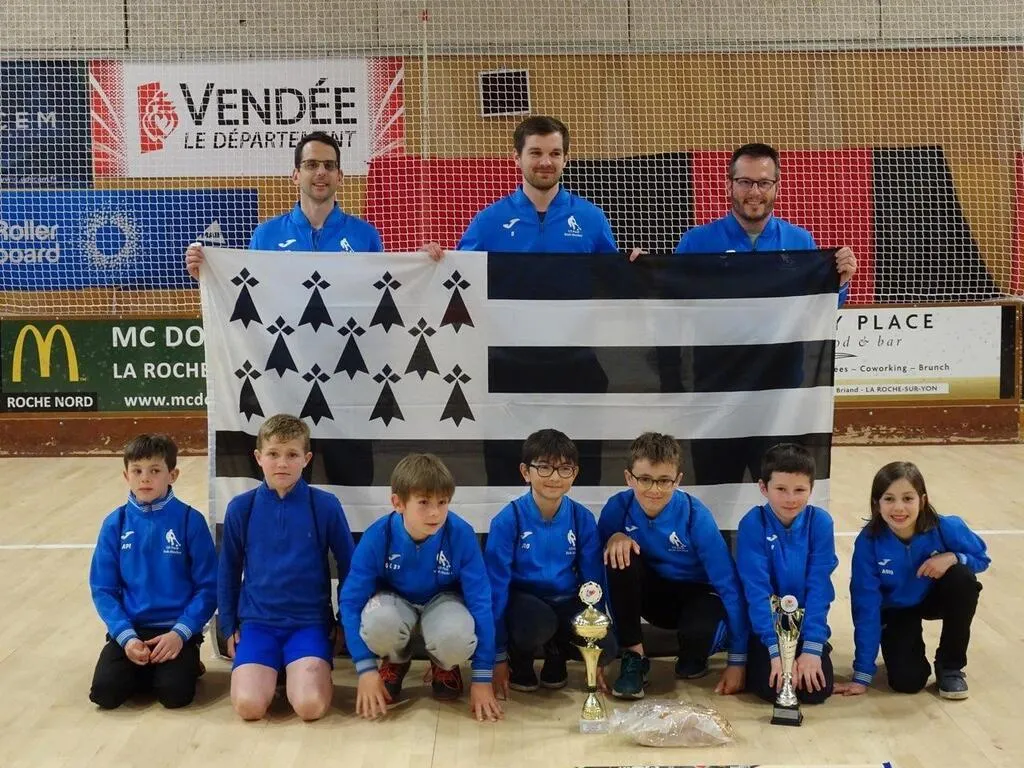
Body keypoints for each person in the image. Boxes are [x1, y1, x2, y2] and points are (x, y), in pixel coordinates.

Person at [422, 116, 640, 486]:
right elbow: (458, 281)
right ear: (517, 157)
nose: (545, 161)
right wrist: (431, 262)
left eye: (555, 153)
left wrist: (640, 267)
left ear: (566, 158)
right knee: (507, 460)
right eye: (536, 152)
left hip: (576, 362)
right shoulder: (489, 221)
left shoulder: (590, 218)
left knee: (579, 459)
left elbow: (614, 279)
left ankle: (582, 536)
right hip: (509, 363)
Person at [676, 142, 856, 488]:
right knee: (714, 492)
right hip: (717, 396)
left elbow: (818, 308)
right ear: (729, 185)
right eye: (744, 182)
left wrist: (841, 283)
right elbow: (670, 303)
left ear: (776, 187)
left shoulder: (801, 242)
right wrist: (640, 274)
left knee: (781, 494)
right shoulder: (696, 243)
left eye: (763, 183)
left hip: (781, 398)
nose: (753, 192)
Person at [339, 453, 503, 722]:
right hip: (395, 601)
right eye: (424, 502)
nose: (435, 512)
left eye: (442, 502)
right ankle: (395, 661)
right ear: (398, 503)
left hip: (443, 601)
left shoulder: (460, 533)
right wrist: (365, 670)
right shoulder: (377, 536)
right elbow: (350, 602)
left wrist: (482, 676)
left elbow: (481, 602)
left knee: (455, 637)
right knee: (379, 623)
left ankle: (443, 665)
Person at [217, 413, 355, 721]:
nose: (282, 463)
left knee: (311, 707)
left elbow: (351, 567)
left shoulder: (325, 505)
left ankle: (302, 672)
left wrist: (344, 622)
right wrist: (227, 625)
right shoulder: (242, 508)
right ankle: (275, 670)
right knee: (249, 707)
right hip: (257, 624)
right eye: (273, 454)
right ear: (258, 457)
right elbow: (228, 570)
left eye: (292, 454)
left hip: (308, 623)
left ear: (306, 459)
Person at [599, 432, 749, 699]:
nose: (654, 490)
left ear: (678, 480)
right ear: (628, 478)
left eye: (664, 481)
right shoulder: (617, 509)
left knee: (697, 642)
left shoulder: (695, 516)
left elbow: (728, 583)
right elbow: (597, 577)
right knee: (617, 554)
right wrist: (614, 536)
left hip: (696, 594)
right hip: (652, 595)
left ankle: (699, 650)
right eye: (645, 479)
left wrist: (737, 659)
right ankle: (634, 658)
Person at [837, 461, 989, 700]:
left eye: (908, 498)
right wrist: (862, 674)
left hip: (933, 597)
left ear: (923, 500)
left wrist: (953, 557)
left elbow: (981, 558)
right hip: (897, 608)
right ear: (877, 503)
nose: (899, 508)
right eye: (889, 499)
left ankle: (950, 666)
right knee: (907, 682)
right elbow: (865, 606)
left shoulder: (947, 527)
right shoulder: (868, 542)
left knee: (963, 579)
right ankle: (907, 655)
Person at [484, 429, 616, 698]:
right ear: (525, 472)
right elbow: (495, 591)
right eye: (544, 467)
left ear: (574, 474)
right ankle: (518, 658)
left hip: (566, 599)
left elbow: (593, 585)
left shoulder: (582, 519)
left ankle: (557, 654)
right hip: (524, 605)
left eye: (564, 469)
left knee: (608, 647)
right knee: (537, 621)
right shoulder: (508, 520)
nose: (555, 477)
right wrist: (495, 657)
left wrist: (598, 633)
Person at [88, 434, 217, 709]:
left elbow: (209, 587)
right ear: (126, 476)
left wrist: (181, 633)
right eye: (137, 471)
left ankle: (183, 663)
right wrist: (126, 637)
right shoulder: (115, 523)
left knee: (175, 696)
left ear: (173, 474)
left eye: (155, 471)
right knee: (105, 694)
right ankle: (148, 668)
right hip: (131, 630)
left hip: (175, 630)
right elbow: (103, 589)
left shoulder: (189, 521)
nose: (145, 479)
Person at [184, 131, 383, 278]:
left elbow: (380, 298)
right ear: (296, 175)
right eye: (311, 165)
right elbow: (250, 296)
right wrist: (208, 276)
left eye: (329, 165)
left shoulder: (366, 236)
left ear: (339, 177)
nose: (321, 172)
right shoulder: (266, 235)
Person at [736, 443, 838, 704]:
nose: (790, 498)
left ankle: (811, 650)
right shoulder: (752, 524)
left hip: (803, 626)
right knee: (772, 690)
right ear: (763, 488)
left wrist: (813, 647)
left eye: (800, 490)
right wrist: (773, 649)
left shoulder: (820, 523)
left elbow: (819, 588)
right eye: (781, 489)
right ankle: (757, 656)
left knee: (816, 692)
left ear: (811, 489)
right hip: (766, 626)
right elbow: (757, 591)